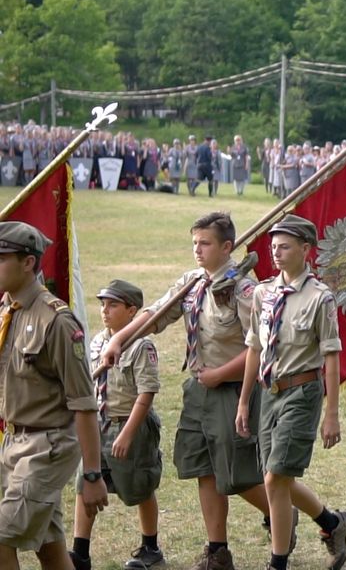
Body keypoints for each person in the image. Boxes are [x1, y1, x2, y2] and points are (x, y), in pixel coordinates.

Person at [101, 212, 274, 570]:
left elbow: (260, 347)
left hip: (231, 389)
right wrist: (120, 336)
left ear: (227, 247)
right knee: (203, 468)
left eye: (205, 243)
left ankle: (281, 514)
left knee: (236, 476)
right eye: (194, 242)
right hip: (198, 390)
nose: (197, 249)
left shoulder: (244, 290)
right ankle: (217, 551)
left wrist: (220, 373)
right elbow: (155, 314)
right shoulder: (191, 283)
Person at [235, 215, 346, 570]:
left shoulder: (320, 298)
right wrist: (243, 401)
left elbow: (331, 356)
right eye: (273, 247)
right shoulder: (264, 293)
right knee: (278, 476)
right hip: (269, 393)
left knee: (274, 477)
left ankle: (278, 562)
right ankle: (333, 524)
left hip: (302, 393)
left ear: (305, 249)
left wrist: (331, 413)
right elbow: (254, 348)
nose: (276, 253)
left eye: (285, 246)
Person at [0, 222, 108, 570]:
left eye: (1, 258)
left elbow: (84, 403)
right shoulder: (7, 310)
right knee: (49, 547)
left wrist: (92, 475)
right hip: (13, 443)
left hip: (47, 448)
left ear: (28, 262)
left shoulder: (57, 322)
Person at [70, 280, 164, 570]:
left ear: (132, 310)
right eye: (102, 304)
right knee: (85, 482)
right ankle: (80, 552)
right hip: (99, 423)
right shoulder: (98, 341)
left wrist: (127, 434)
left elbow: (146, 393)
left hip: (130, 425)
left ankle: (151, 548)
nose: (105, 310)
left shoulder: (141, 346)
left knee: (139, 486)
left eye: (113, 305)